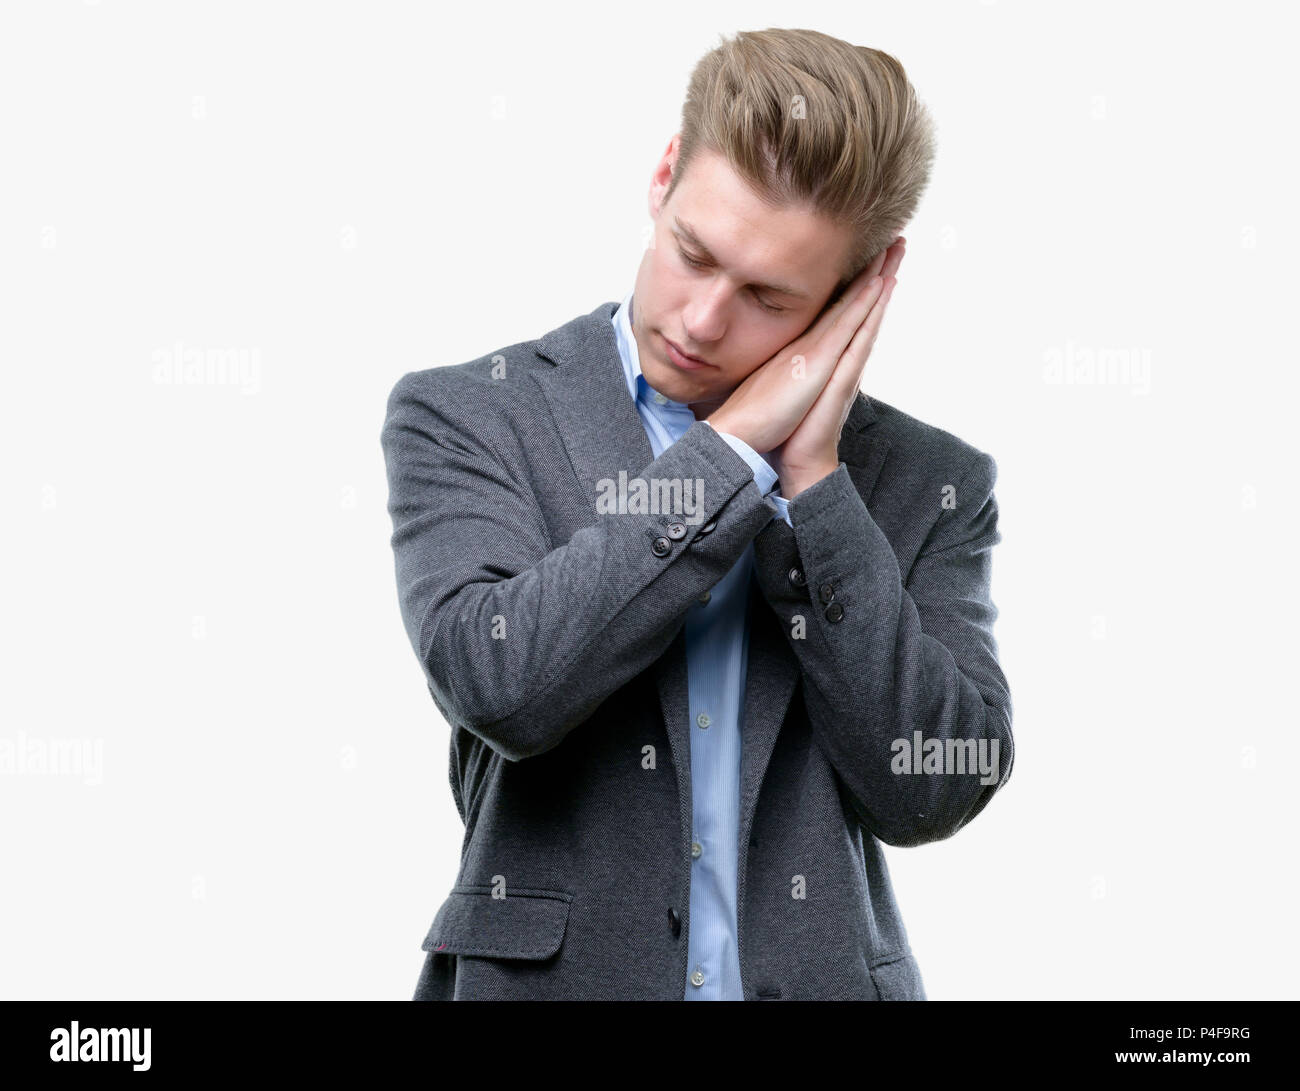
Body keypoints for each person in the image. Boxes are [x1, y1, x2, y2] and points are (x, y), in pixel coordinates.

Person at [381, 27, 1013, 1001]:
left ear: (855, 292)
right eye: (692, 253)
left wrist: (815, 488)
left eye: (767, 294)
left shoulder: (931, 478)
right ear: (665, 175)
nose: (702, 319)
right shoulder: (475, 413)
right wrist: (729, 453)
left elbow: (928, 785)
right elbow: (499, 683)